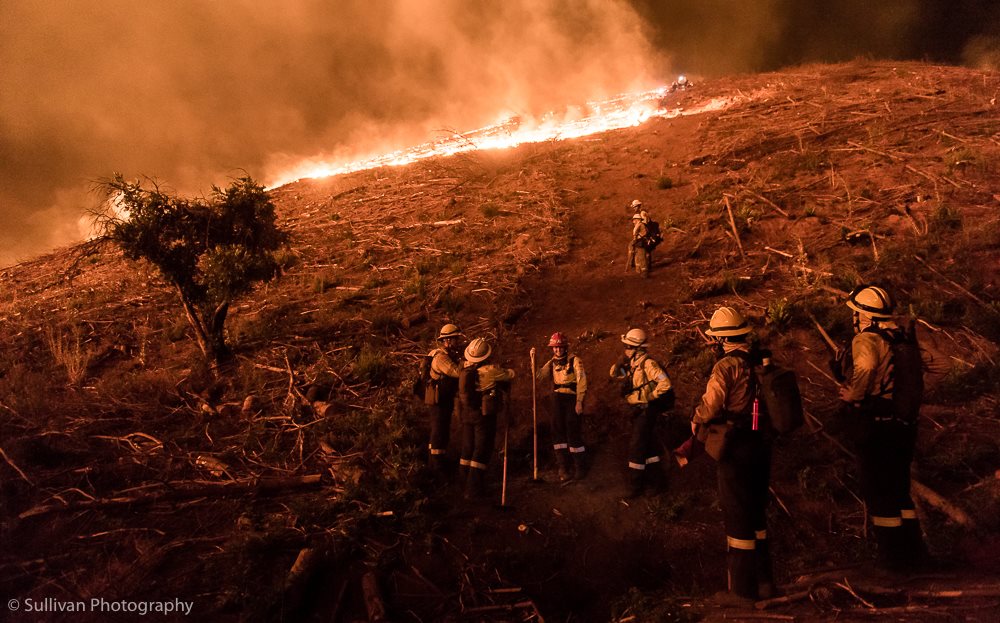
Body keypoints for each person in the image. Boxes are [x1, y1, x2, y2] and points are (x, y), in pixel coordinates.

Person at [837, 284, 926, 570]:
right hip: (904, 422)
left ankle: (893, 561)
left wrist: (853, 394)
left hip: (877, 424)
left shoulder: (867, 339)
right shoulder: (903, 335)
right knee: (900, 490)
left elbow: (864, 370)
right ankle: (915, 555)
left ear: (864, 315)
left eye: (855, 312)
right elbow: (938, 364)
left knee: (879, 491)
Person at [691, 306, 775, 603]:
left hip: (736, 447)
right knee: (756, 514)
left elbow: (712, 406)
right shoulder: (760, 361)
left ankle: (741, 590)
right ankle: (765, 582)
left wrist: (697, 418)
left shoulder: (726, 367)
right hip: (761, 445)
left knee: (737, 515)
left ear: (721, 339)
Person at [609, 328, 674, 497]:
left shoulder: (648, 364)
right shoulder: (633, 364)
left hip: (647, 411)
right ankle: (655, 484)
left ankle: (635, 486)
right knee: (650, 448)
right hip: (639, 410)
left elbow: (665, 383)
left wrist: (649, 396)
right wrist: (618, 364)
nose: (626, 349)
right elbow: (617, 375)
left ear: (638, 348)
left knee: (636, 447)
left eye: (628, 347)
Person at [458, 337, 515, 498]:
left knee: (467, 448)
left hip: (466, 412)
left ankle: (463, 484)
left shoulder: (464, 369)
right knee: (481, 449)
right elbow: (510, 375)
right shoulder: (490, 370)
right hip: (483, 414)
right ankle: (473, 489)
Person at [533, 332, 588, 481]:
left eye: (560, 347)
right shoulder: (551, 362)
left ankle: (580, 467)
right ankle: (563, 467)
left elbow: (582, 381)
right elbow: (538, 376)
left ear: (565, 347)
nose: (557, 350)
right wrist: (534, 360)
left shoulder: (575, 360)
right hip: (557, 398)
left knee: (573, 431)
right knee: (557, 431)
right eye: (555, 348)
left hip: (571, 398)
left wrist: (579, 401)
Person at [424, 324, 464, 475]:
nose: (457, 342)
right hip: (438, 400)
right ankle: (438, 467)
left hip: (441, 399)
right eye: (455, 339)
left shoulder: (443, 353)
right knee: (439, 430)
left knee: (439, 429)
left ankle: (433, 463)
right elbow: (456, 372)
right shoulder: (441, 357)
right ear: (447, 340)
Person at [625, 199, 651, 276]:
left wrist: (639, 236)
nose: (634, 208)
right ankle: (637, 266)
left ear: (638, 206)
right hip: (642, 237)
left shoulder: (642, 213)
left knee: (641, 252)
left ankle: (640, 267)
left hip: (643, 237)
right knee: (638, 251)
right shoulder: (640, 214)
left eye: (634, 207)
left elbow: (645, 225)